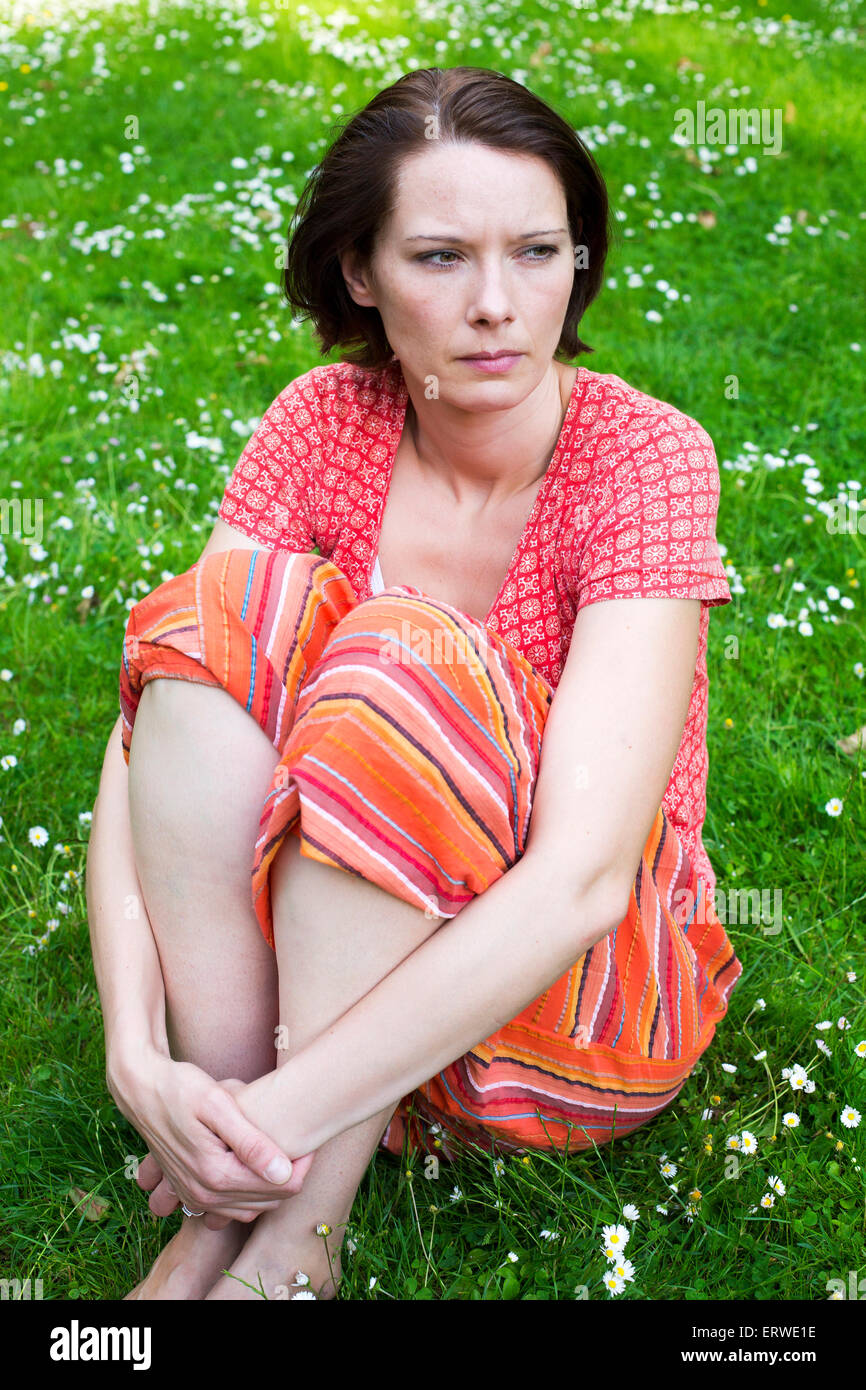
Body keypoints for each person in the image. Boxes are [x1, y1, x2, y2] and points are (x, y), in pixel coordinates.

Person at [86, 65, 742, 1302]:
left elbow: (584, 882)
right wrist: (136, 1055)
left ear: (575, 258)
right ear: (358, 271)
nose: (496, 305)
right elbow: (154, 728)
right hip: (316, 994)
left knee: (402, 651)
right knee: (213, 616)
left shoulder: (641, 456)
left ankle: (279, 1227)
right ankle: (227, 1150)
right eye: (438, 257)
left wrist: (266, 1114)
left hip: (556, 1007)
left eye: (537, 251)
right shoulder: (322, 419)